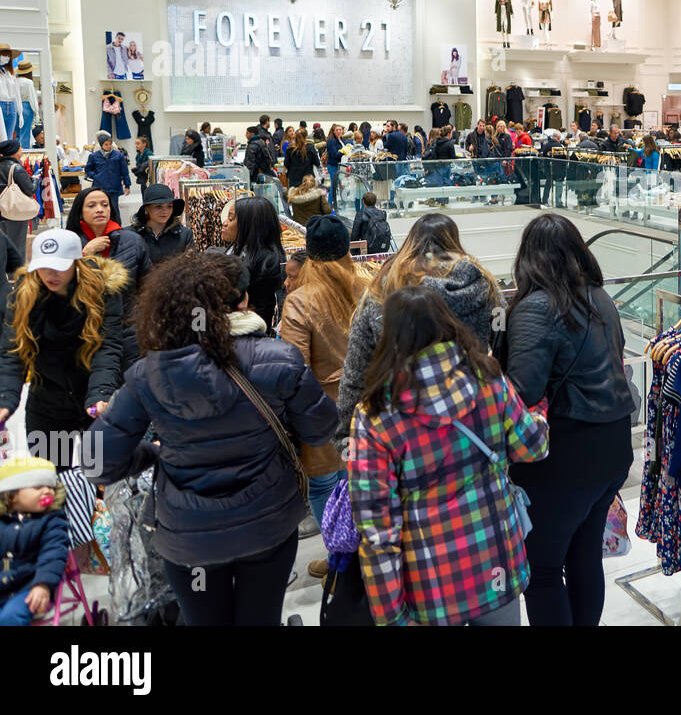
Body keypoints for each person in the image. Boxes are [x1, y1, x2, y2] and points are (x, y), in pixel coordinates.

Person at [82, 253, 338, 627]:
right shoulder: (279, 359)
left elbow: (95, 462)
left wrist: (153, 453)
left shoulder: (148, 374)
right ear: (243, 301)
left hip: (190, 538)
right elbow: (321, 429)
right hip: (266, 525)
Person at [350, 286, 548, 626]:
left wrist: (391, 616)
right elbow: (532, 447)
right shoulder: (488, 377)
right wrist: (541, 416)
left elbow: (377, 529)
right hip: (496, 557)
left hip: (431, 581)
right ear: (447, 323)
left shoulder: (375, 414)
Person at [500, 215, 635, 626]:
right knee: (583, 555)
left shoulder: (537, 307)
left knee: (540, 571)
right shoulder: (600, 298)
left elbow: (522, 390)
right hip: (613, 445)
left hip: (565, 455)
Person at [337, 214, 503, 444]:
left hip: (402, 425)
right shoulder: (485, 285)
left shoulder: (383, 290)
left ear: (410, 242)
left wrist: (346, 433)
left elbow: (357, 369)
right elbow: (503, 335)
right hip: (472, 419)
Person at [279, 216, 368, 579]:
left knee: (322, 484)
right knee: (367, 480)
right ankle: (368, 553)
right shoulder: (370, 286)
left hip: (322, 408)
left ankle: (339, 557)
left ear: (311, 256)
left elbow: (294, 368)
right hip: (371, 402)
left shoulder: (300, 301)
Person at [0, 230, 125, 468]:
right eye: (44, 266)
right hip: (48, 400)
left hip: (94, 400)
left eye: (60, 266)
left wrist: (100, 394)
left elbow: (107, 347)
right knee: (50, 480)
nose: (50, 274)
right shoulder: (24, 295)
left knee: (97, 477)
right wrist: (4, 400)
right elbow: (12, 352)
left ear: (76, 263)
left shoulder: (103, 291)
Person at [67, 186, 150, 363]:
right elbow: (62, 286)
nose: (99, 209)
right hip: (85, 330)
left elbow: (148, 285)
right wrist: (85, 254)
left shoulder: (132, 241)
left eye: (105, 205)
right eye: (91, 205)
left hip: (128, 329)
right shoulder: (70, 243)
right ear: (80, 212)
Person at [0, 454, 70, 625]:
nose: (47, 491)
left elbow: (54, 552)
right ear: (12, 494)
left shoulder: (52, 520)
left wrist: (43, 584)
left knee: (10, 617)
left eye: (51, 487)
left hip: (30, 587)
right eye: (38, 486)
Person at [220, 195, 285, 330]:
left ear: (250, 225)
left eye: (231, 219)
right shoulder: (238, 248)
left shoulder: (267, 263)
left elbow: (263, 312)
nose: (225, 222)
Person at [129, 184, 194, 264]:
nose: (165, 211)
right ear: (147, 208)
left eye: (169, 206)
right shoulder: (132, 235)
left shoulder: (184, 235)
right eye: (158, 206)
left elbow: (191, 267)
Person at [0, 139, 36, 260]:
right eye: (20, 148)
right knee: (17, 246)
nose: (21, 151)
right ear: (13, 151)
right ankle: (16, 277)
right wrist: (35, 179)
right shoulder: (16, 168)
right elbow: (30, 190)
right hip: (15, 213)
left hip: (2, 211)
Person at [84, 132, 131, 218]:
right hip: (99, 188)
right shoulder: (93, 156)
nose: (109, 146)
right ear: (101, 145)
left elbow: (124, 171)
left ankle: (117, 228)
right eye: (106, 144)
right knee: (101, 210)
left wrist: (127, 185)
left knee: (114, 209)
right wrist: (96, 176)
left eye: (110, 144)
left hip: (114, 187)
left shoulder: (119, 156)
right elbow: (88, 170)